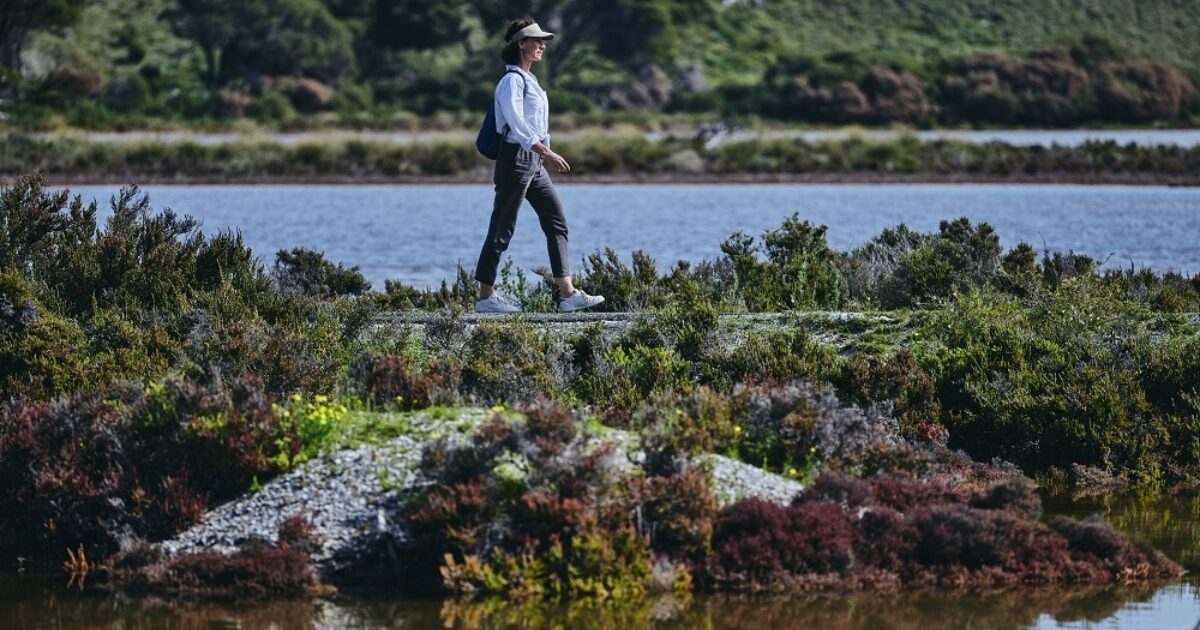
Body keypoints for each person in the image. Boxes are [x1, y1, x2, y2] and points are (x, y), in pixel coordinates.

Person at [473, 16, 604, 314]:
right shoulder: (511, 82)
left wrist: (542, 152)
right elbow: (518, 126)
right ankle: (485, 297)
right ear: (522, 44)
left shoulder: (530, 80)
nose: (542, 45)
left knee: (556, 222)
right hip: (515, 160)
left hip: (533, 162)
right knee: (501, 228)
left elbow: (535, 125)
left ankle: (567, 294)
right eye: (537, 40)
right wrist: (548, 152)